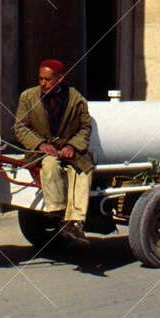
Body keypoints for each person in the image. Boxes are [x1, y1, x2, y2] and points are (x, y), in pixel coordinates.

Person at [14, 60, 93, 243]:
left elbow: (85, 128)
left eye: (48, 79)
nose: (43, 83)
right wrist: (40, 144)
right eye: (40, 78)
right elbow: (20, 127)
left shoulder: (76, 99)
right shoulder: (28, 97)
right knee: (49, 165)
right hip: (42, 153)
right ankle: (58, 214)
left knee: (84, 171)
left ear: (60, 79)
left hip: (71, 152)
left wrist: (71, 146)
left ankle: (75, 221)